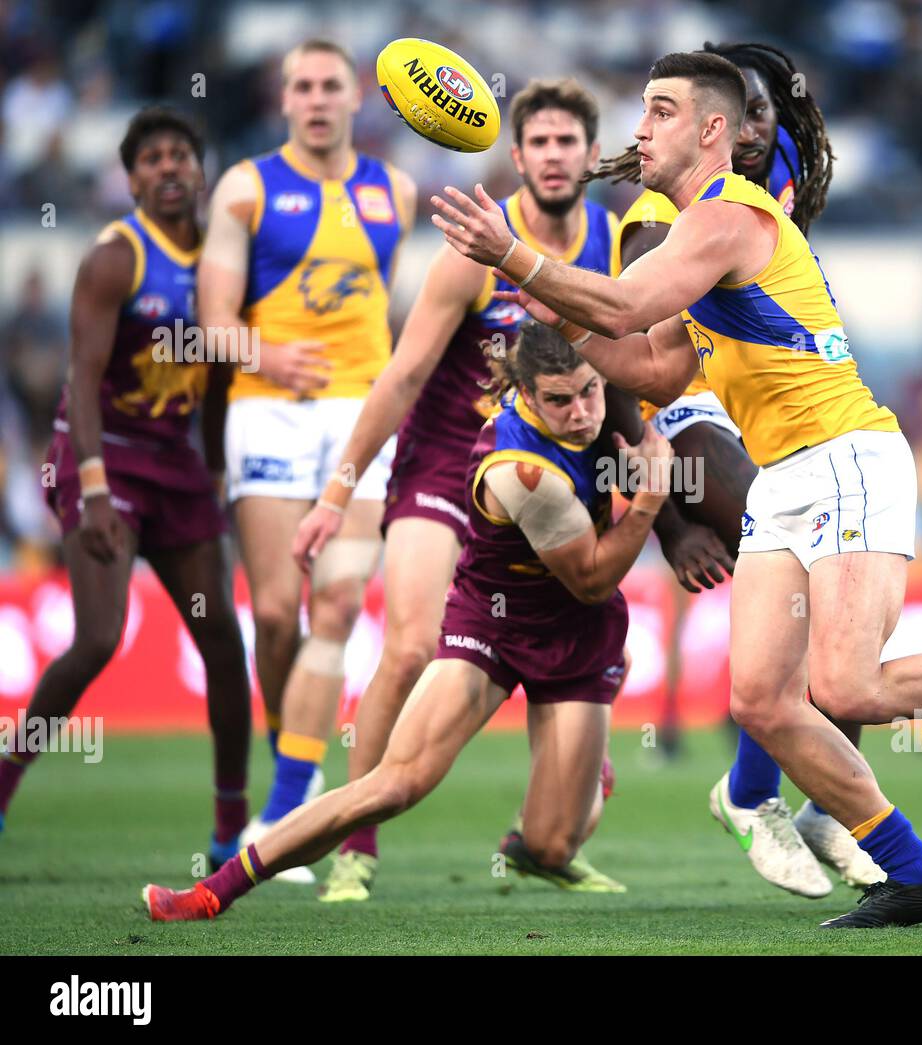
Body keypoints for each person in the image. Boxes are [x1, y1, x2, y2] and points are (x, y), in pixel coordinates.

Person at [429, 50, 922, 928]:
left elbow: (619, 308)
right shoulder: (695, 235)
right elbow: (649, 361)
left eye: (658, 110)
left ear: (711, 131)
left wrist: (518, 257)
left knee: (849, 688)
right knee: (761, 698)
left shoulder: (728, 217)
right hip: (788, 480)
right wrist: (547, 307)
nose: (637, 128)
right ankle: (915, 873)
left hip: (847, 455)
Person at [142, 322, 675, 920]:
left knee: (552, 845)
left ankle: (573, 784)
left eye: (589, 392)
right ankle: (216, 890)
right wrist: (651, 500)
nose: (580, 413)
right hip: (493, 631)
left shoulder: (600, 407)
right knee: (391, 787)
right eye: (559, 399)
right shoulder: (521, 469)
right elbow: (593, 578)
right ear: (523, 392)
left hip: (578, 639)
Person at [291, 78, 630, 900]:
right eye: (539, 143)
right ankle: (354, 844)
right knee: (409, 647)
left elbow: (632, 372)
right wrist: (338, 494)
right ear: (516, 157)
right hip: (448, 463)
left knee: (569, 660)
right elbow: (403, 375)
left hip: (558, 476)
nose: (554, 156)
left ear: (590, 156)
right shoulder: (476, 247)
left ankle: (548, 833)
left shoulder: (618, 244)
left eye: (568, 142)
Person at [593, 40, 880, 897]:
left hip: (761, 390)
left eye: (764, 112)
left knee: (835, 615)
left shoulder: (779, 166)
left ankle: (813, 802)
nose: (753, 130)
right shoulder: (656, 220)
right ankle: (762, 797)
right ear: (711, 127)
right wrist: (673, 523)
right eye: (740, 115)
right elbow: (629, 358)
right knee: (809, 585)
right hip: (691, 402)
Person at [0, 107, 250, 869]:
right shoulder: (116, 257)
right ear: (132, 176)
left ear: (200, 171)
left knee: (224, 646)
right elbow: (77, 374)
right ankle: (6, 778)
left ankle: (229, 828)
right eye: (152, 158)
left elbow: (220, 374)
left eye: (181, 155)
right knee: (100, 637)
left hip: (176, 465)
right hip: (102, 455)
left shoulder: (223, 261)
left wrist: (212, 469)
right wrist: (96, 488)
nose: (169, 167)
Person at [198, 39, 416, 882]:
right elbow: (212, 320)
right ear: (283, 98)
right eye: (303, 87)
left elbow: (378, 309)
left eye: (332, 85)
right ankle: (297, 749)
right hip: (266, 413)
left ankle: (286, 802)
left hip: (360, 417)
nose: (318, 99)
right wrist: (268, 355)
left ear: (354, 96)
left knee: (334, 606)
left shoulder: (392, 189)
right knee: (279, 613)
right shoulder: (247, 187)